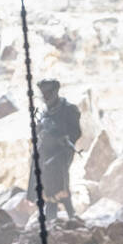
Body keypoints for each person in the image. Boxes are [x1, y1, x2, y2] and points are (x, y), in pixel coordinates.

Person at [26, 78, 81, 219]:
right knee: (47, 184)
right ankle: (52, 217)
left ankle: (70, 214)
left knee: (59, 182)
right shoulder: (45, 111)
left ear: (55, 92)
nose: (46, 96)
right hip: (46, 152)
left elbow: (76, 132)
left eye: (48, 93)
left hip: (61, 153)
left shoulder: (69, 109)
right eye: (43, 93)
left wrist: (61, 136)